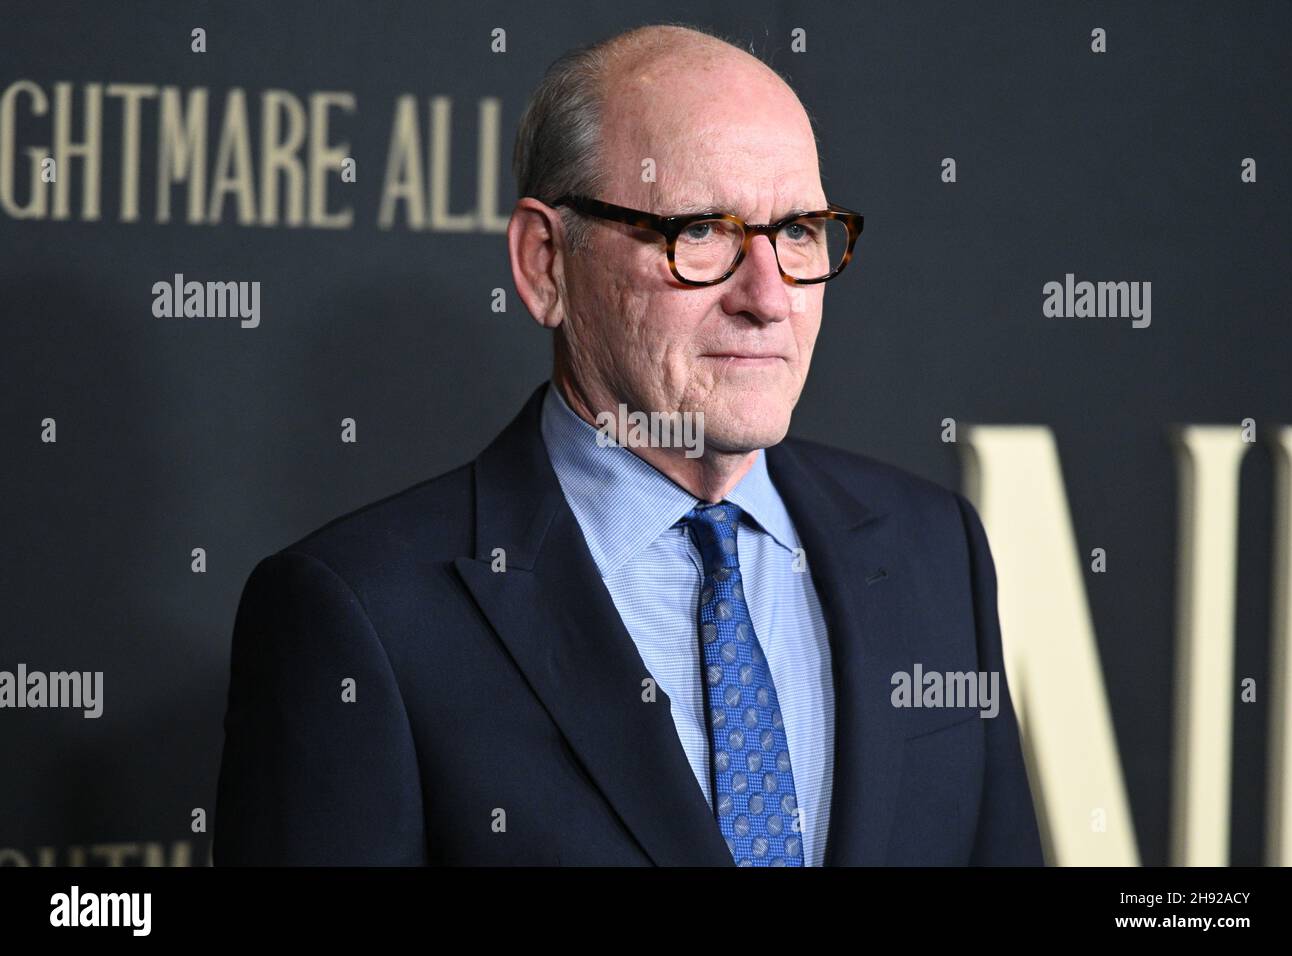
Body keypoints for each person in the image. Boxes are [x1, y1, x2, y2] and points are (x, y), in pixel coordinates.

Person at [214, 22, 1043, 866]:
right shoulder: (362, 612)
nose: (768, 296)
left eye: (797, 230)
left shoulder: (934, 547)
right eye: (701, 231)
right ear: (546, 265)